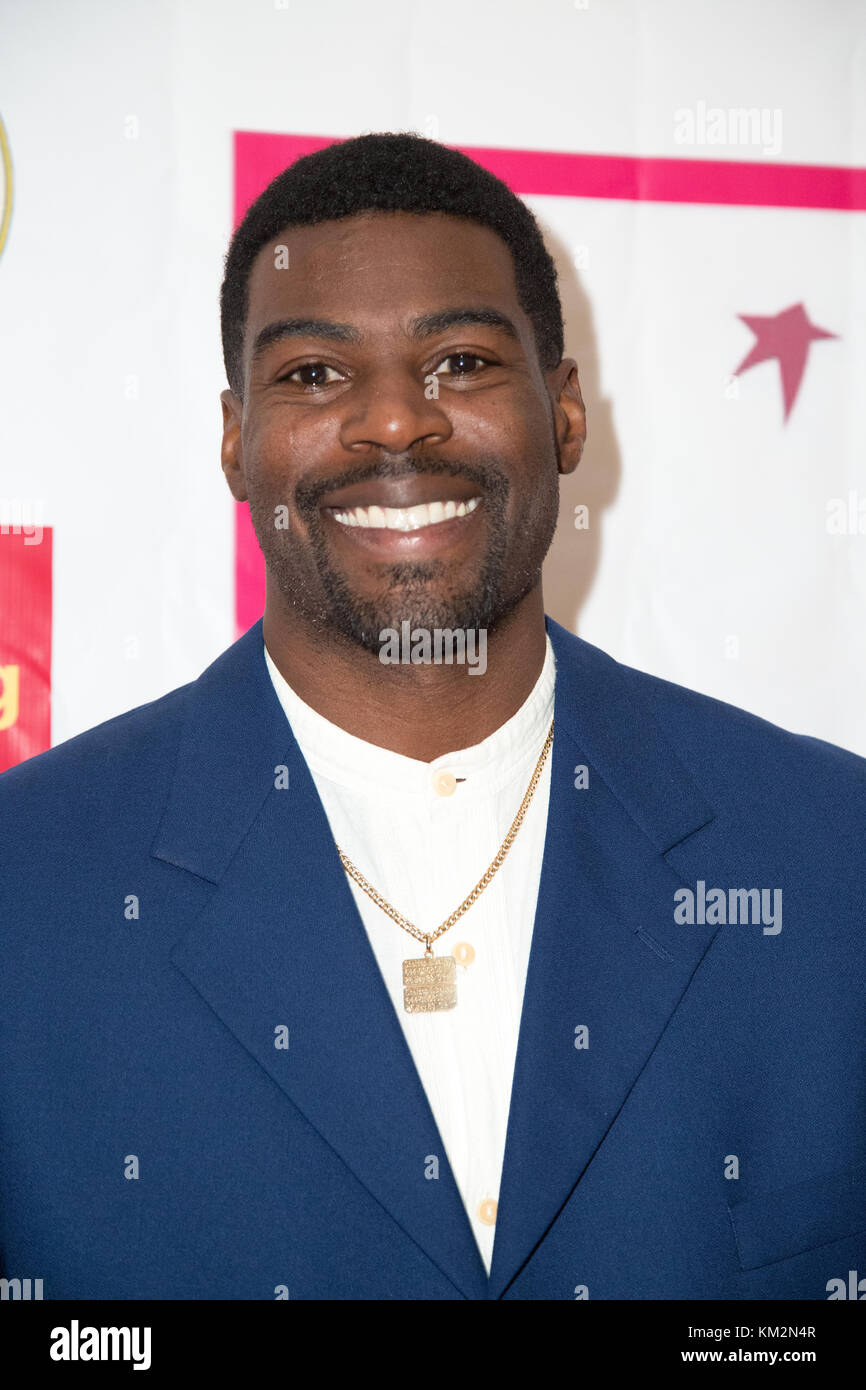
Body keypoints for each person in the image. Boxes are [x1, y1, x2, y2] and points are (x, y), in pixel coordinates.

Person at [1, 133, 863, 1302]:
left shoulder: (825, 850)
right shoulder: (28, 880)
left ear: (564, 415)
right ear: (232, 438)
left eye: (459, 361)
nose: (397, 423)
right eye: (313, 373)